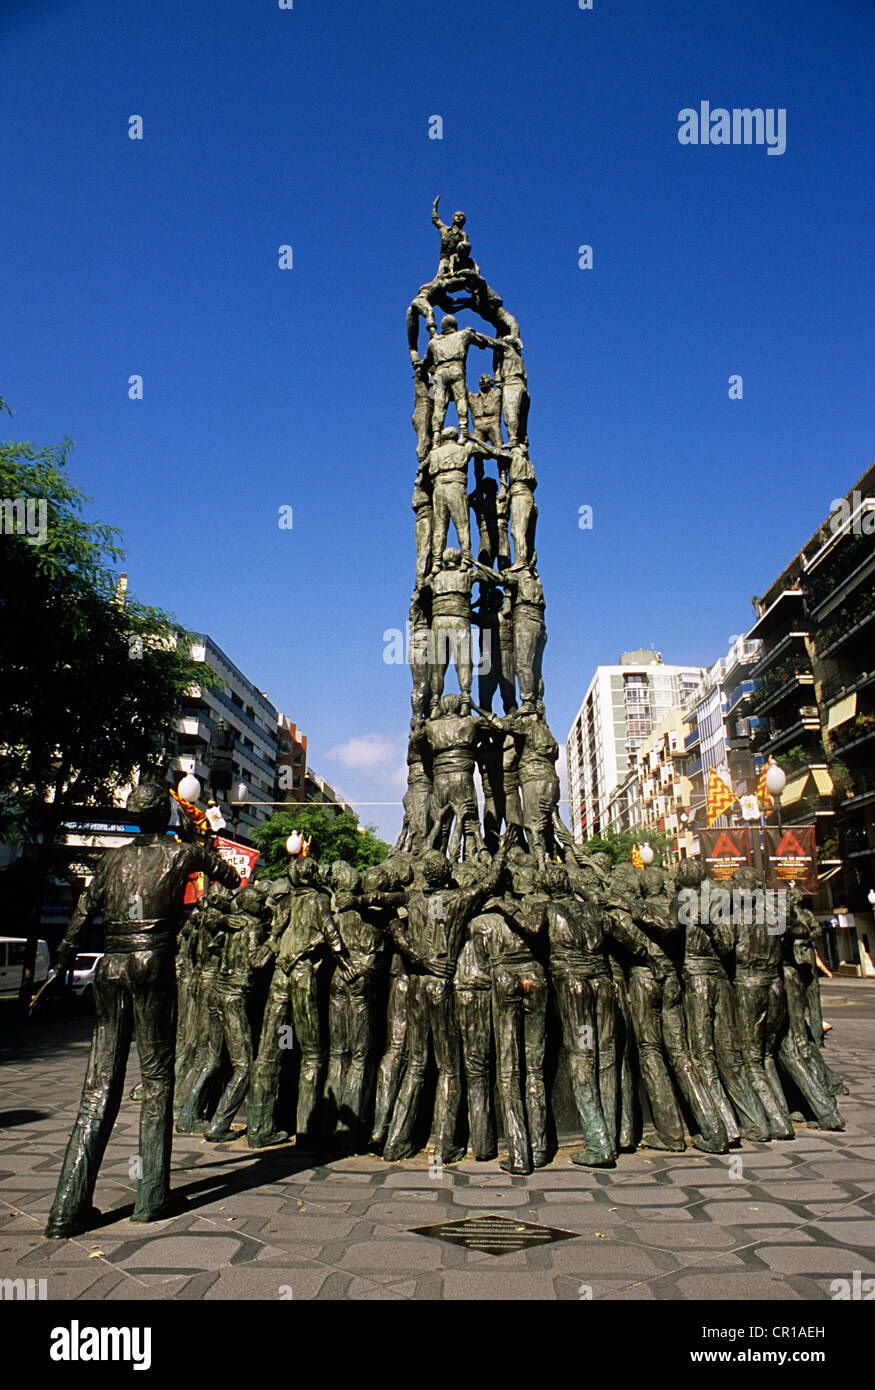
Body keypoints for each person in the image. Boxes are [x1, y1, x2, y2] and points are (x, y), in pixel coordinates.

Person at [44, 783, 241, 1238]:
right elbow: (231, 877)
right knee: (156, 1079)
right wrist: (198, 845)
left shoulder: (111, 861)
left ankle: (66, 1210)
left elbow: (82, 914)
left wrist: (64, 957)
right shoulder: (181, 853)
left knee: (98, 1085)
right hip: (152, 963)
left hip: (110, 966)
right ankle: (151, 1196)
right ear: (166, 815)